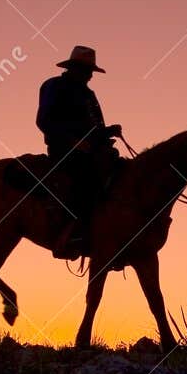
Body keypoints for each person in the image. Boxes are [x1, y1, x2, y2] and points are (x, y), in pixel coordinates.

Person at [35, 45, 121, 258]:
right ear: (74, 68)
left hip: (93, 151)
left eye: (91, 71)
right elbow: (44, 121)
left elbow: (95, 129)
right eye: (87, 71)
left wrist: (108, 132)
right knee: (86, 181)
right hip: (64, 150)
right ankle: (72, 233)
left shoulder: (89, 94)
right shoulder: (54, 86)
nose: (90, 76)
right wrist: (74, 142)